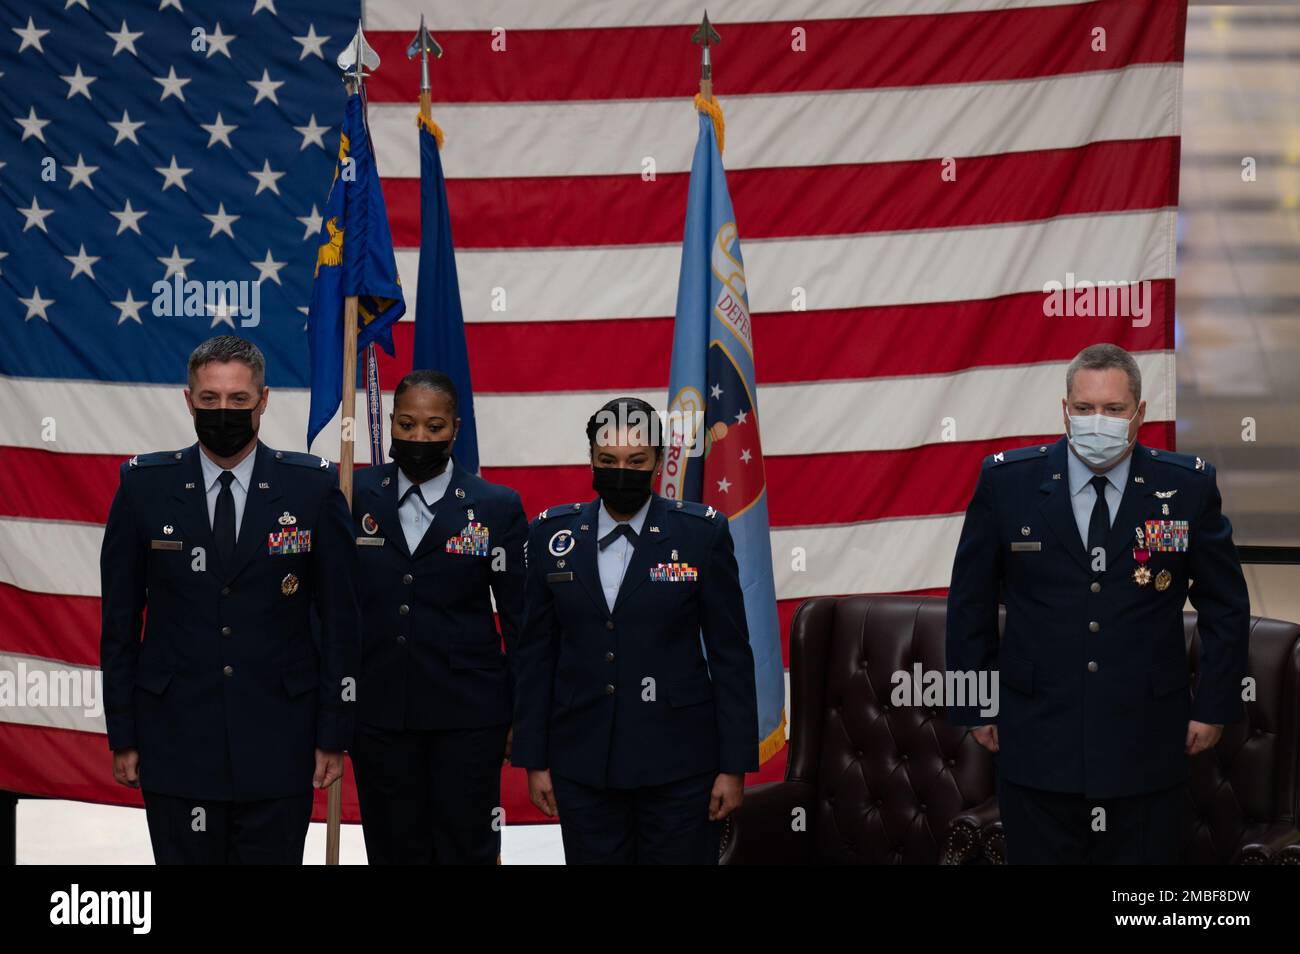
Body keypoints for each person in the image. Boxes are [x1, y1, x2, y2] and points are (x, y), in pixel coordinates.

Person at [945, 342, 1250, 864]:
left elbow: (1225, 605)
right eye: (1084, 409)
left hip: (1148, 743)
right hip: (1037, 740)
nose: (1097, 421)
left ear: (1139, 414)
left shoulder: (1186, 487)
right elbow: (969, 602)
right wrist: (974, 703)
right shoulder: (1008, 482)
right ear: (1065, 410)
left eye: (1112, 409)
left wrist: (1214, 705)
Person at [99, 335, 359, 864]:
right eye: (211, 399)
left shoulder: (310, 488)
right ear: (189, 399)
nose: (224, 411)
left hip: (280, 739)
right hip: (174, 738)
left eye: (239, 400)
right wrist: (122, 735)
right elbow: (120, 622)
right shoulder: (144, 486)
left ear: (263, 401)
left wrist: (333, 733)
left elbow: (341, 621)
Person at [512, 396, 759, 864]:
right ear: (590, 458)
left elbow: (731, 655)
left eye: (635, 461)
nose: (620, 470)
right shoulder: (550, 535)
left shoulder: (700, 535)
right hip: (582, 763)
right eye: (608, 460)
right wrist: (534, 759)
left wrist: (734, 767)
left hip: (681, 768)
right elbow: (535, 655)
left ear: (658, 461)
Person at [350, 370, 527, 864]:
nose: (419, 437)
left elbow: (521, 623)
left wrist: (522, 715)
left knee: (465, 848)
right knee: (392, 849)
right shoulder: (352, 493)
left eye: (433, 427)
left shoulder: (496, 506)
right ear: (391, 424)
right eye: (407, 424)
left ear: (455, 428)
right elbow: (331, 609)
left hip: (469, 718)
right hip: (378, 714)